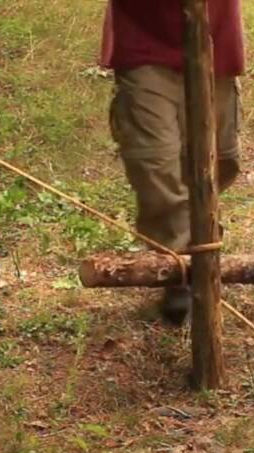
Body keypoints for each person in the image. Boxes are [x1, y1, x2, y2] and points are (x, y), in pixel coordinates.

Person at [102, 0, 244, 324]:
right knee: (155, 162)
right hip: (144, 41)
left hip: (216, 43)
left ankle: (200, 242)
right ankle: (181, 269)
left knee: (221, 159)